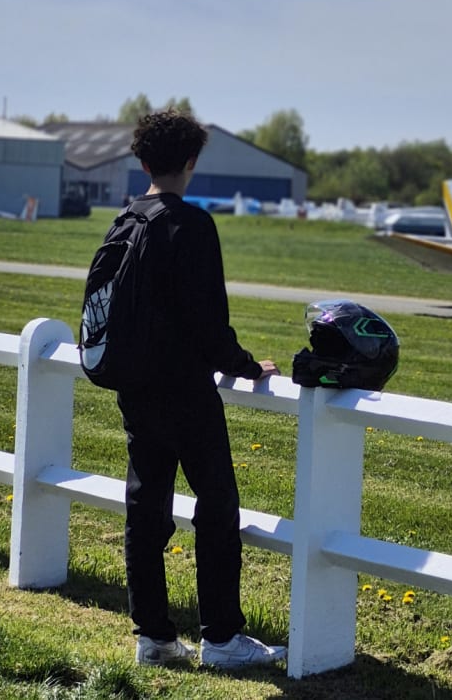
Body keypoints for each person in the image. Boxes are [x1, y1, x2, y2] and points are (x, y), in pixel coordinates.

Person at [116, 109, 286, 669]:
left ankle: (155, 638)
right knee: (216, 510)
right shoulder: (193, 226)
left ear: (143, 161)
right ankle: (220, 639)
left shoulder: (123, 221)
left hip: (135, 389)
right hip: (187, 393)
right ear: (191, 162)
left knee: (146, 511)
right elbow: (210, 325)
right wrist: (246, 366)